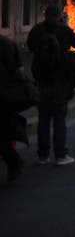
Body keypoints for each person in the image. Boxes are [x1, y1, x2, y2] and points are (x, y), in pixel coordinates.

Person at [27, 5, 75, 166]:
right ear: (59, 16)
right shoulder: (64, 29)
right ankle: (60, 155)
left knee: (43, 119)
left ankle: (43, 155)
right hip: (60, 82)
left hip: (42, 80)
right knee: (59, 119)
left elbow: (30, 47)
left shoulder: (37, 29)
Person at [0, 35, 26, 182]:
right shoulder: (7, 43)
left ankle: (14, 161)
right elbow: (19, 71)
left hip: (4, 95)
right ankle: (14, 162)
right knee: (5, 131)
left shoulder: (6, 44)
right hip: (6, 94)